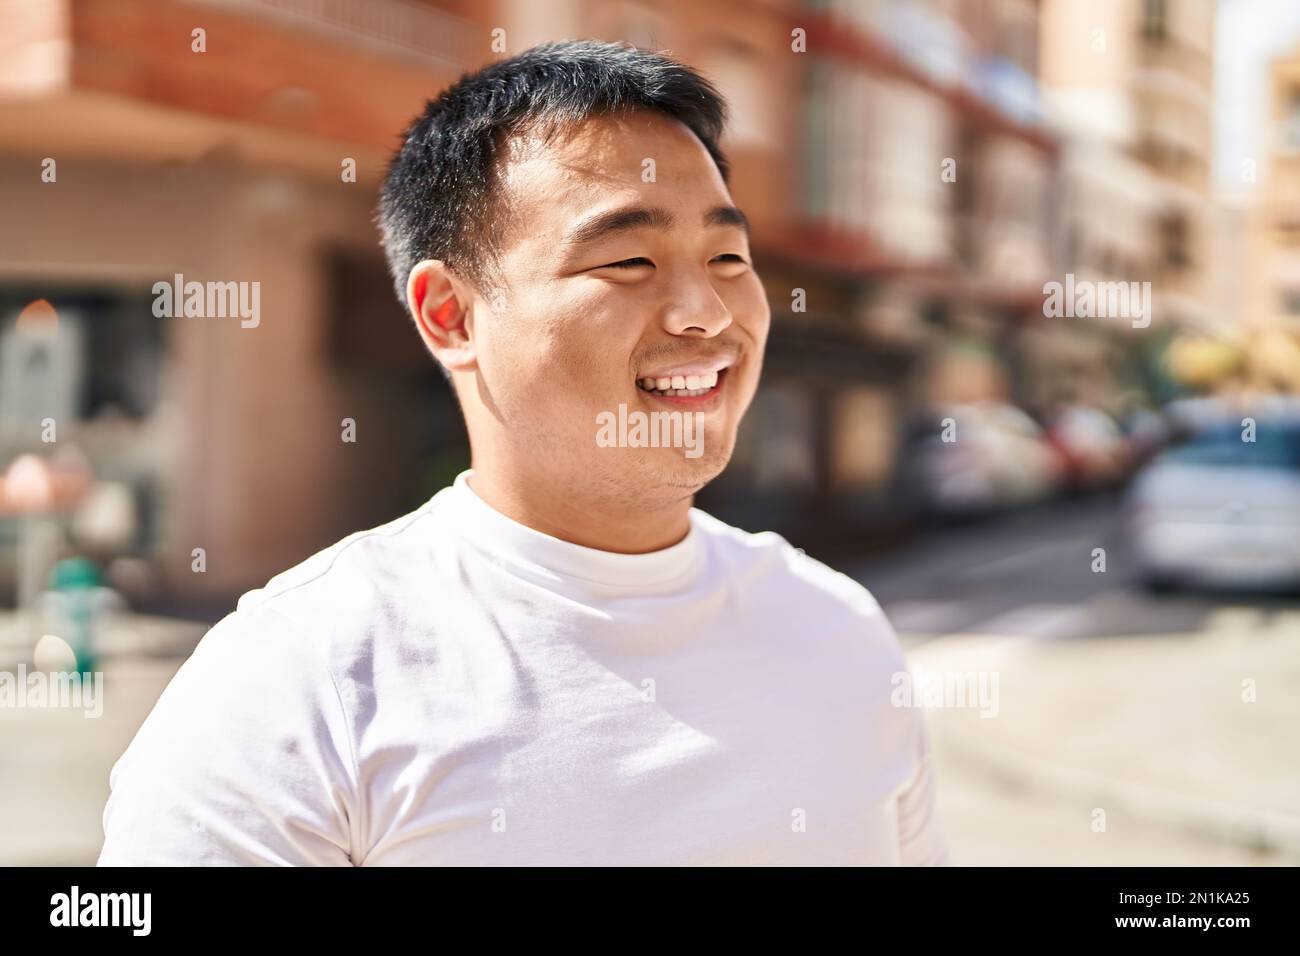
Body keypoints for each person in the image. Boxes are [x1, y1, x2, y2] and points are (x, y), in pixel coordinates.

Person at [98, 39, 949, 866]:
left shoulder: (838, 629)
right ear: (451, 315)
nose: (707, 314)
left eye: (729, 256)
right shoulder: (300, 681)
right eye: (628, 259)